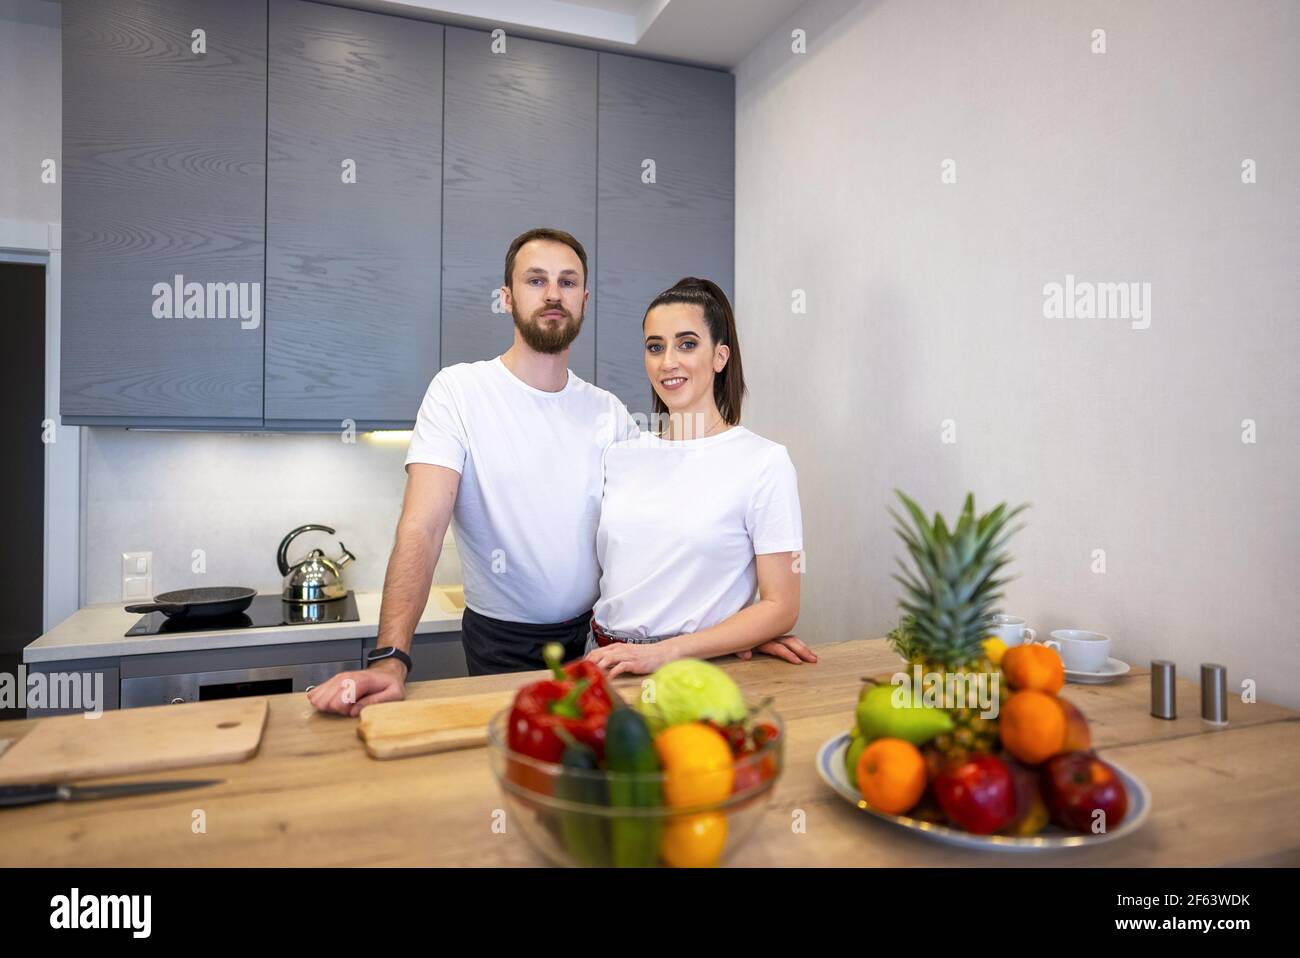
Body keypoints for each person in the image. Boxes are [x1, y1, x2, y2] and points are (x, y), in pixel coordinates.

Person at [309, 227, 637, 715]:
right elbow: (423, 526)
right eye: (535, 280)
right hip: (500, 645)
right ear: (507, 297)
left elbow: (651, 534)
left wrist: (731, 627)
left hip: (598, 641)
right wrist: (389, 658)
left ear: (584, 300)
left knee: (585, 779)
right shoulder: (459, 392)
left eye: (568, 283)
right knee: (509, 772)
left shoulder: (609, 413)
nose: (552, 294)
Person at [584, 277, 817, 678]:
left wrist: (670, 651)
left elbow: (781, 606)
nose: (667, 361)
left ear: (720, 357)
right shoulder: (620, 456)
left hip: (694, 672)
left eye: (687, 344)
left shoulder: (764, 462)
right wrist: (740, 631)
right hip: (604, 662)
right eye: (655, 346)